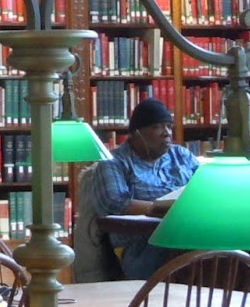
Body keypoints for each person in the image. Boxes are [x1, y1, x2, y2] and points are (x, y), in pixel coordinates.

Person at [81, 96, 199, 279]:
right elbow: (115, 204)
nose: (166, 133)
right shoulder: (114, 162)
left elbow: (205, 192)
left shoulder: (182, 156)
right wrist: (160, 209)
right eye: (157, 127)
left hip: (187, 232)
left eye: (168, 126)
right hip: (142, 247)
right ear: (136, 133)